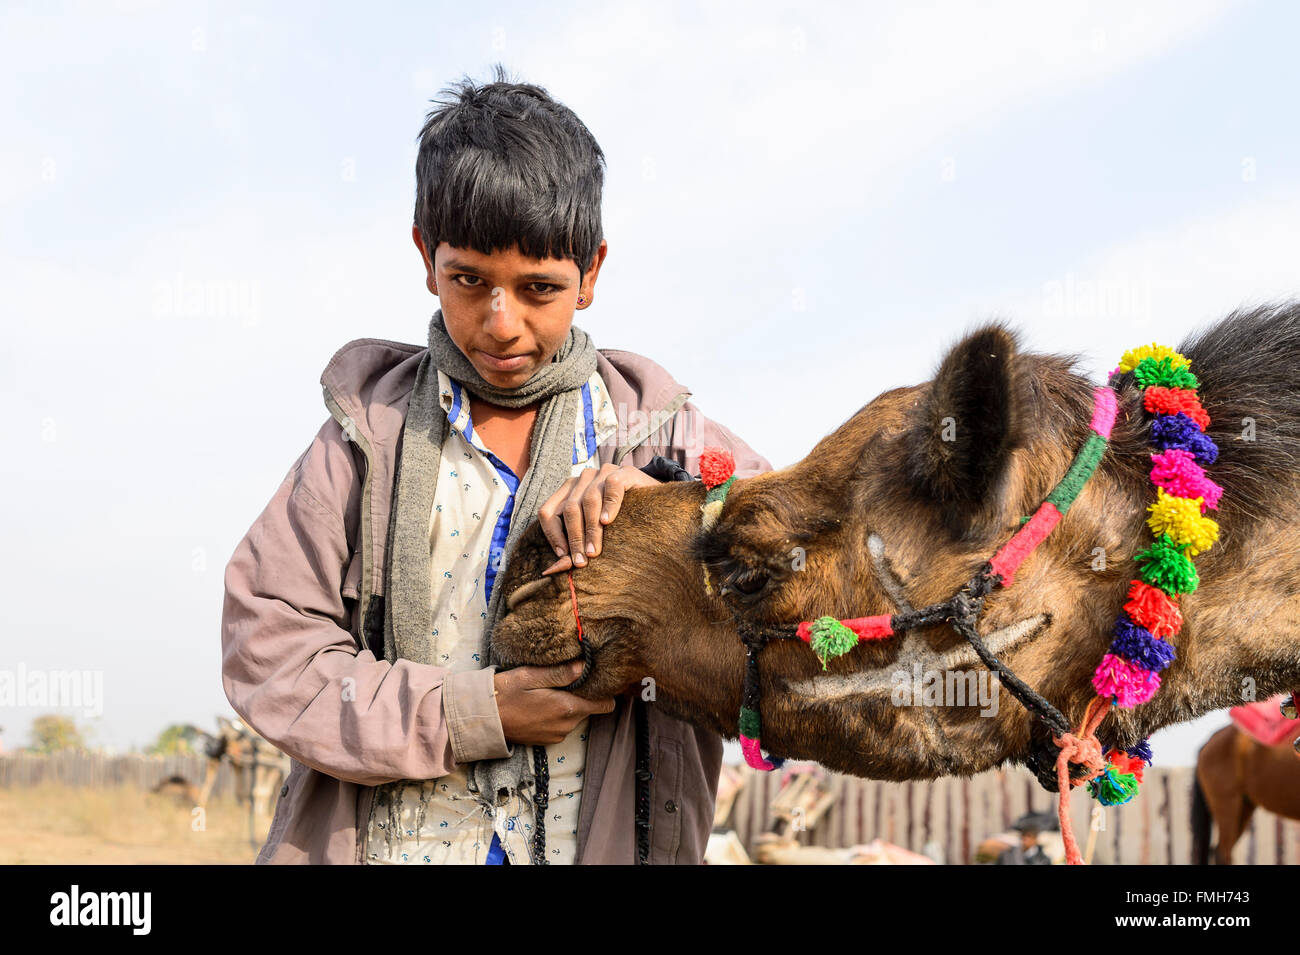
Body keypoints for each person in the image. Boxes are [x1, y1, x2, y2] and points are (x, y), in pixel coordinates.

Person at [219, 66, 771, 865]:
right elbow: (267, 647)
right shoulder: (360, 439)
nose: (501, 322)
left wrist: (662, 499)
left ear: (591, 273)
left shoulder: (659, 429)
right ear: (425, 256)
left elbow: (797, 551)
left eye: (538, 288)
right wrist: (474, 712)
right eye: (469, 280)